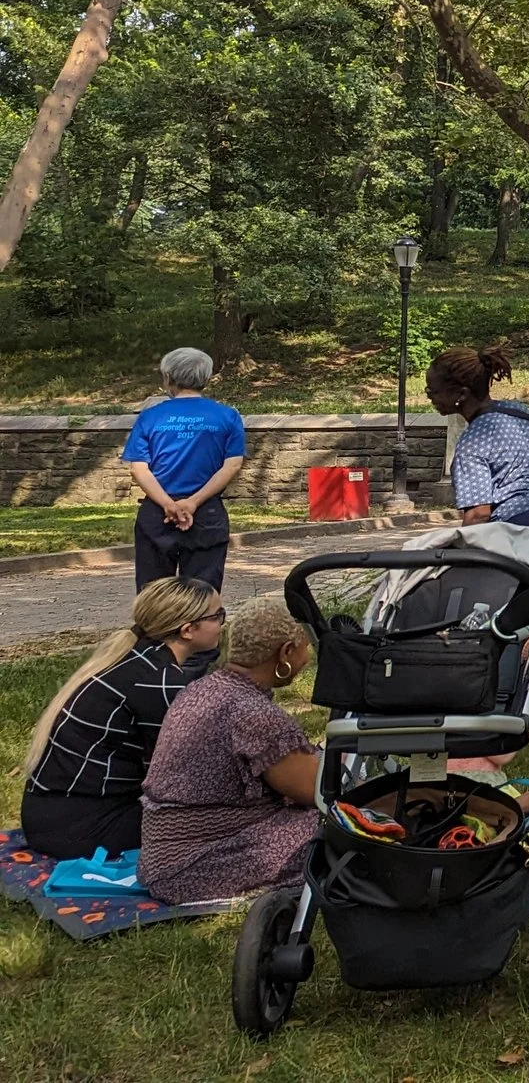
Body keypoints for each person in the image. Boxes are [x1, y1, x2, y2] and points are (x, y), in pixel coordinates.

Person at [19, 578, 226, 859]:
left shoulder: (131, 658)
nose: (222, 624)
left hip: (49, 814)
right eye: (217, 615)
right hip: (83, 828)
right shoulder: (159, 681)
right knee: (233, 819)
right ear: (188, 630)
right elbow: (177, 778)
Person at [138, 594, 321, 904]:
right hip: (197, 867)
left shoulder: (201, 689)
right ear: (286, 652)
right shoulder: (254, 714)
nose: (306, 659)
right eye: (304, 649)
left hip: (160, 860)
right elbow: (316, 792)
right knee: (347, 825)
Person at [427, 344, 529, 552]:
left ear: (461, 394)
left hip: (525, 533)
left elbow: (479, 514)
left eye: (432, 391)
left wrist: (457, 554)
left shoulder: (473, 441)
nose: (429, 397)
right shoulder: (519, 412)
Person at [121, 347, 247, 591]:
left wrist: (168, 504)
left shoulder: (150, 417)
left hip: (157, 512)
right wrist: (193, 502)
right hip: (206, 512)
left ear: (168, 378)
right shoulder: (228, 416)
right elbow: (232, 465)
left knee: (154, 592)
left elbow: (139, 469)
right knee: (202, 592)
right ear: (206, 378)